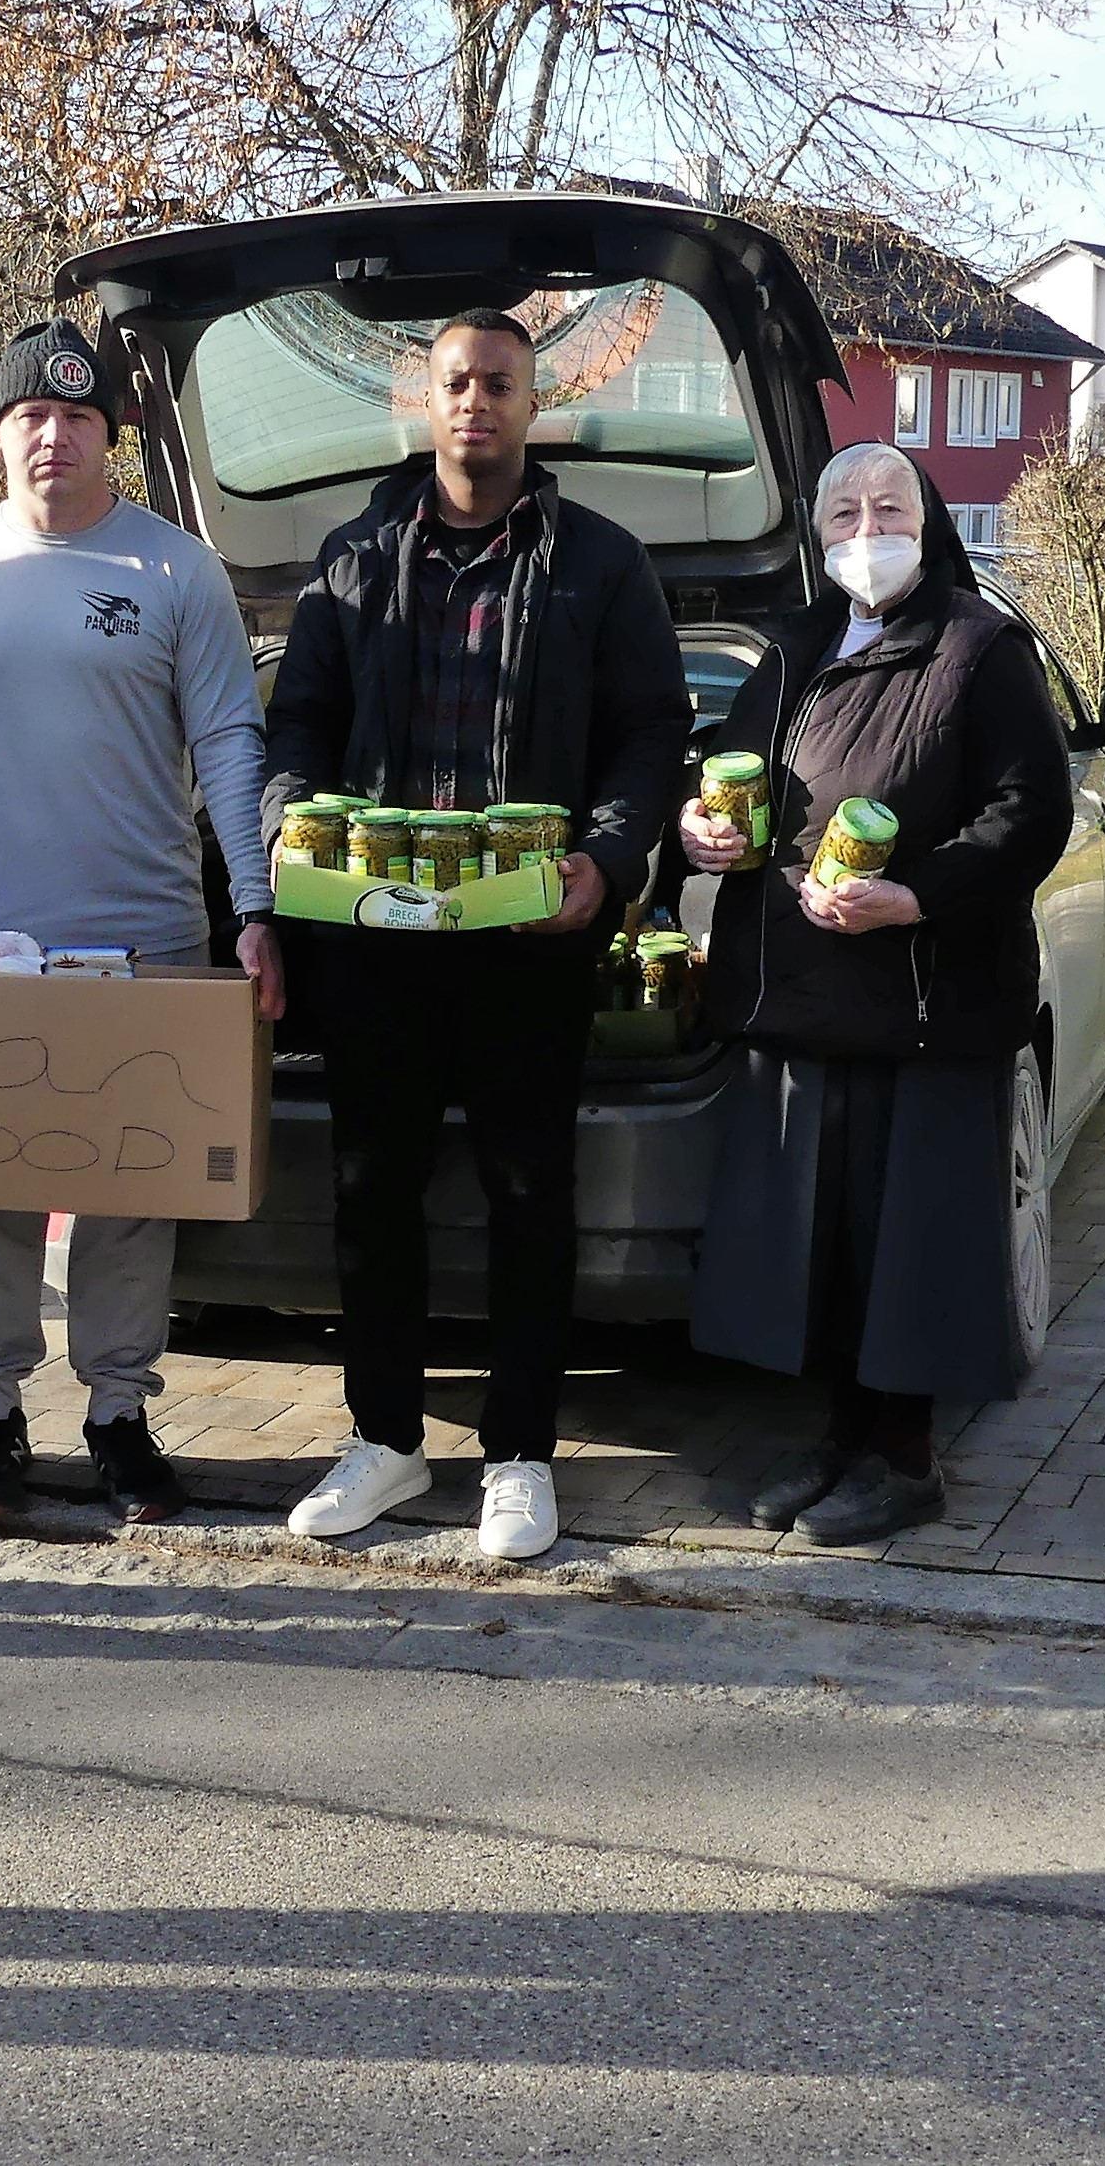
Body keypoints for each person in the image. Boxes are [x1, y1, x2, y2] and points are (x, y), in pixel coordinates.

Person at [0, 317, 281, 1527]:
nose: (56, 435)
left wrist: (254, 903)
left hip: (144, 934)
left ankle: (120, 1414)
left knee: (133, 1187)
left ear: (111, 438)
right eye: (32, 415)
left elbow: (232, 742)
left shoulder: (177, 571)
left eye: (80, 417)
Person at [262, 307, 694, 1563]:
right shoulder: (353, 558)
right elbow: (298, 726)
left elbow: (649, 734)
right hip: (375, 943)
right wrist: (293, 825)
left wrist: (606, 862)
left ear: (531, 404)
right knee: (370, 1192)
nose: (476, 404)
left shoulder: (599, 565)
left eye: (500, 384)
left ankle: (519, 1457)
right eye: (457, 383)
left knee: (528, 1196)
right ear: (425, 400)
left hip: (527, 944)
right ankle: (385, 1442)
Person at [679, 443, 1074, 1545]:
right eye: (842, 509)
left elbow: (1028, 812)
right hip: (804, 999)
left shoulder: (980, 646)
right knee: (831, 1242)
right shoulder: (797, 643)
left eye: (888, 505)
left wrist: (920, 898)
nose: (865, 527)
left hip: (922, 999)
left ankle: (908, 1459)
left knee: (916, 1245)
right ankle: (842, 1438)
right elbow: (724, 765)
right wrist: (696, 827)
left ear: (929, 518)